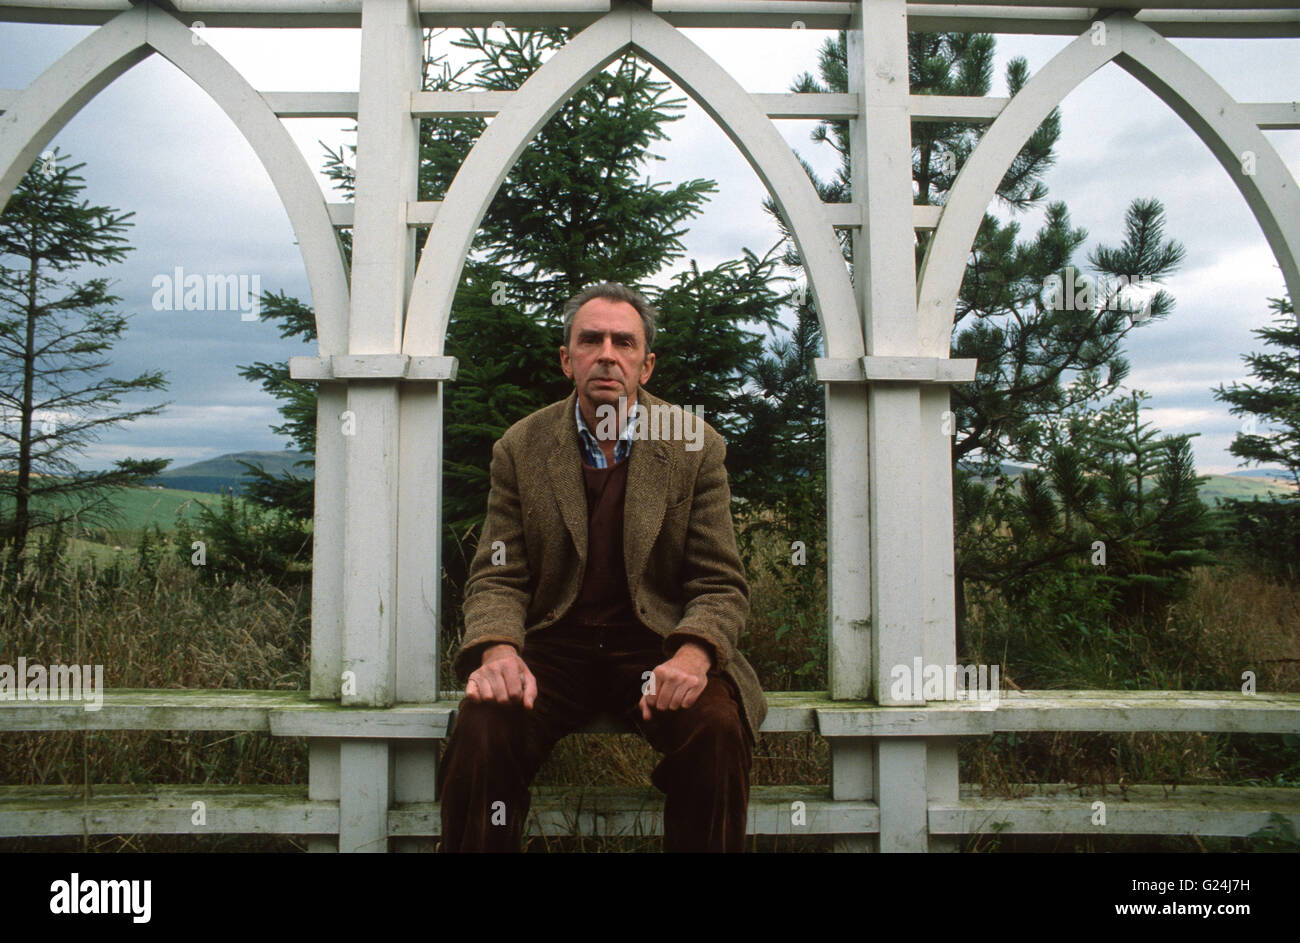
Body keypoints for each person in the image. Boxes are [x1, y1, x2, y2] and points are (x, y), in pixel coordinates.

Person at [437, 281, 766, 852]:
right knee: (481, 728)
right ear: (568, 360)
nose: (607, 354)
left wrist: (693, 656)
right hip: (554, 648)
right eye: (590, 340)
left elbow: (720, 582)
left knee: (714, 730)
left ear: (647, 363)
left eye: (624, 342)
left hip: (656, 645)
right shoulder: (521, 446)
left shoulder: (694, 445)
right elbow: (497, 574)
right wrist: (498, 651)